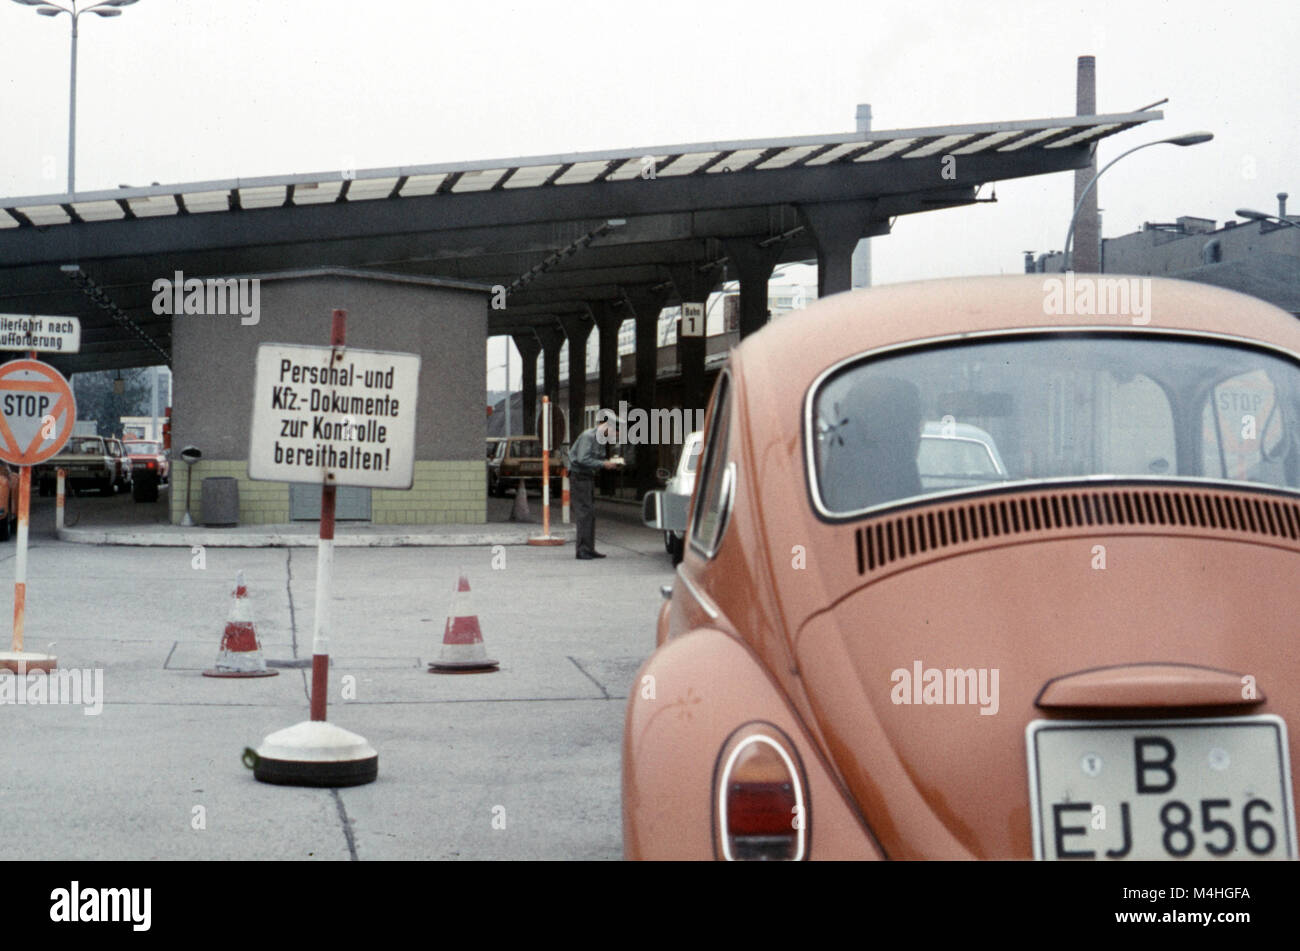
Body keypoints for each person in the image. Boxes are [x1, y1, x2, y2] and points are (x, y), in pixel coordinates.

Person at [567, 415, 624, 559]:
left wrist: (610, 462)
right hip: (579, 477)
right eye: (614, 433)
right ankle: (582, 549)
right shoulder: (588, 437)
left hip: (587, 477)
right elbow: (582, 459)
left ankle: (589, 547)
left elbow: (595, 459)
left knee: (590, 514)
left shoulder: (599, 439)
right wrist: (603, 464)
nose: (613, 436)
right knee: (584, 513)